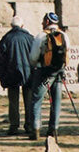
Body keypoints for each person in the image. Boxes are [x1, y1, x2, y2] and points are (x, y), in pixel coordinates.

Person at [27, 12, 69, 140]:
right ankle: (54, 129)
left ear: (46, 22)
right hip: (59, 72)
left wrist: (36, 64)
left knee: (37, 99)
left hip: (44, 72)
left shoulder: (41, 36)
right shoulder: (64, 36)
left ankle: (36, 129)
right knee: (56, 101)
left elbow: (33, 57)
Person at [0, 16, 34, 135]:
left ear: (11, 26)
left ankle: (14, 125)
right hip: (28, 72)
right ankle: (29, 125)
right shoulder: (30, 38)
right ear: (22, 26)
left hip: (11, 72)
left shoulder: (6, 39)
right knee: (29, 100)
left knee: (13, 100)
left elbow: (0, 59)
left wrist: (0, 74)